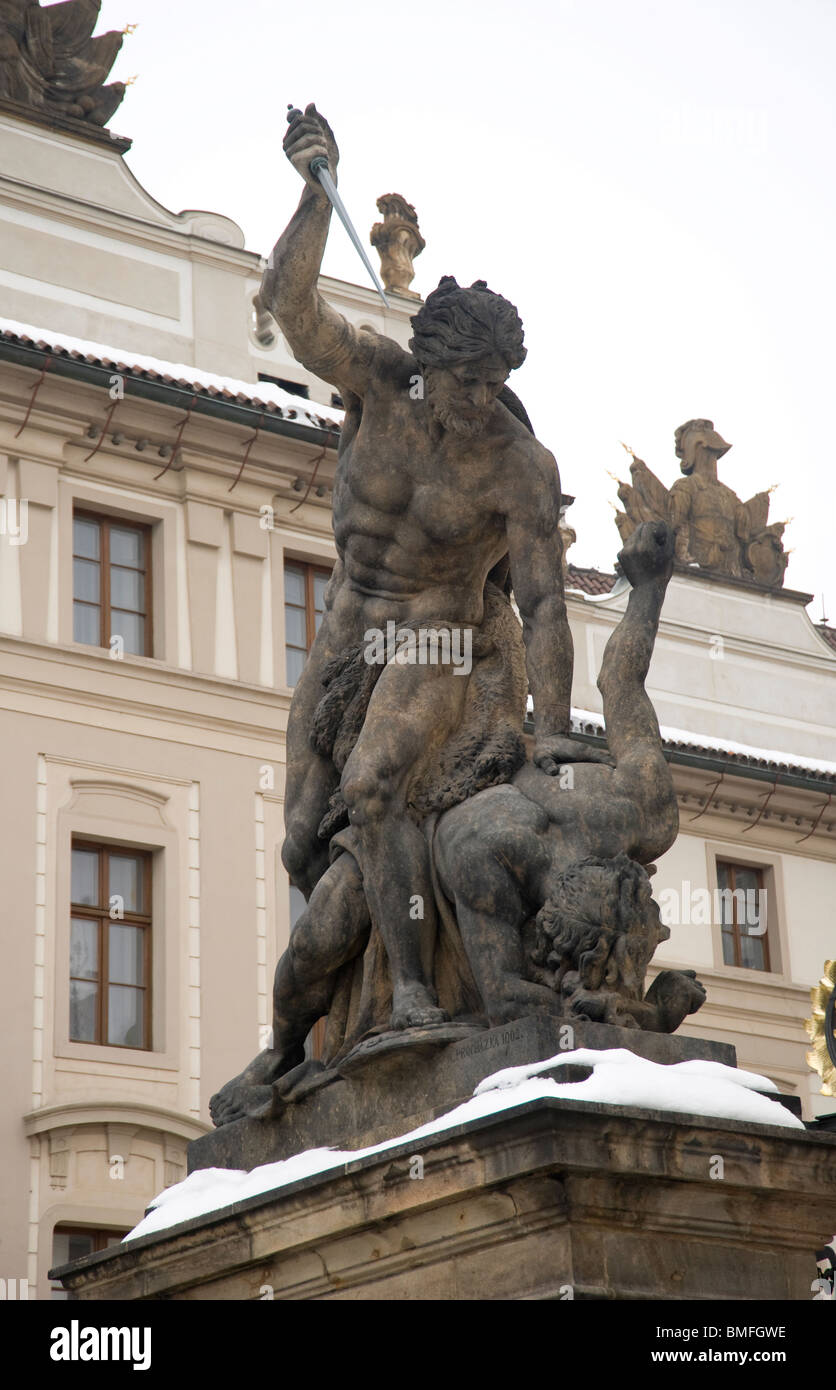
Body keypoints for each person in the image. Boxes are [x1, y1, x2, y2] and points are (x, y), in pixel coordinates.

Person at [263, 104, 595, 1031]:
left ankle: (412, 991)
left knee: (373, 784)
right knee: (299, 845)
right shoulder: (379, 378)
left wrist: (559, 725)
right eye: (467, 383)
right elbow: (292, 307)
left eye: (496, 384)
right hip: (347, 624)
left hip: (439, 632)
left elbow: (543, 603)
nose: (482, 402)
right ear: (428, 364)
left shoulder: (517, 467)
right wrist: (312, 193)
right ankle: (326, 1028)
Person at [210, 522, 705, 1128]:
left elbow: (619, 679)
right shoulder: (630, 808)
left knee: (327, 927)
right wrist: (650, 591)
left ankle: (319, 1030)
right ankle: (281, 1048)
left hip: (431, 803)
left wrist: (649, 589)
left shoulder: (616, 818)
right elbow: (621, 684)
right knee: (314, 940)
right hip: (424, 775)